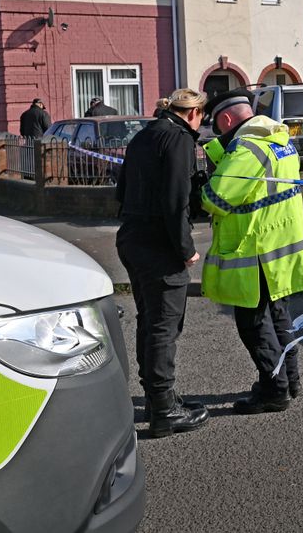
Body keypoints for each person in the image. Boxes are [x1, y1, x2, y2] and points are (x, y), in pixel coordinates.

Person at [201, 89, 303, 414]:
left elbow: (216, 198)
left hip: (255, 251)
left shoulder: (246, 149)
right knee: (280, 317)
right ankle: (290, 380)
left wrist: (204, 182)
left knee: (253, 323)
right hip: (281, 247)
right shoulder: (280, 140)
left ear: (224, 120)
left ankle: (273, 390)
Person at [115, 88, 210, 438]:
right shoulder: (180, 140)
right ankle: (165, 410)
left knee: (150, 320)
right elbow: (175, 201)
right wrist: (186, 249)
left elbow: (121, 190)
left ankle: (159, 399)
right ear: (194, 113)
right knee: (164, 327)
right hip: (159, 245)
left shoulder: (144, 135)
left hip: (132, 237)